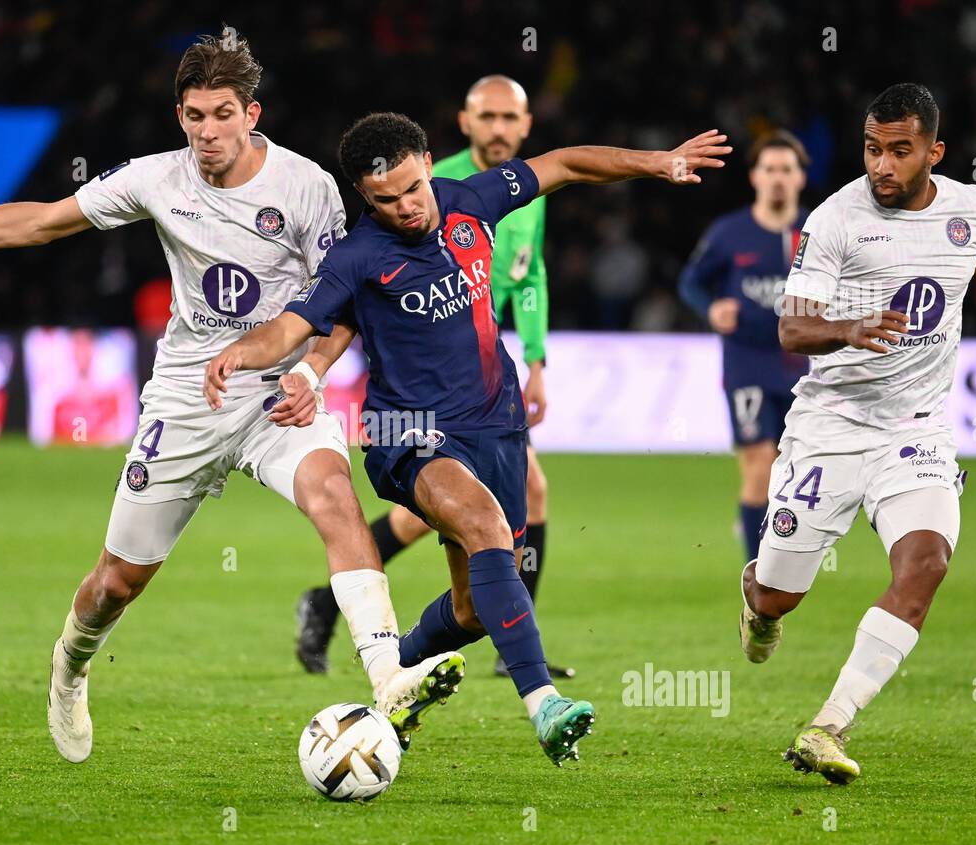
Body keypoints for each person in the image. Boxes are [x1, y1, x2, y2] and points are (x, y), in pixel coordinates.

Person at [0, 33, 466, 762]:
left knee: (336, 500)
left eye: (222, 114)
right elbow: (43, 220)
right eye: (194, 115)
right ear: (180, 116)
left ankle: (387, 679)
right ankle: (69, 665)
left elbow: (342, 298)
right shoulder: (156, 180)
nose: (207, 131)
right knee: (118, 582)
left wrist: (312, 372)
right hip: (186, 397)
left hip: (275, 394)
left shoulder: (307, 188)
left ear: (251, 113)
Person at [207, 112, 729, 763]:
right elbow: (295, 325)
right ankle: (544, 705)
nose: (403, 208)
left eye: (411, 189)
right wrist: (249, 357)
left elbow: (564, 164)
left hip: (495, 424)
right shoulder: (358, 256)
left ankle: (392, 684)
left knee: (475, 609)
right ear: (364, 201)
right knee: (483, 524)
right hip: (406, 434)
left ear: (428, 163)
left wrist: (657, 161)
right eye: (384, 200)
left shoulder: (473, 199)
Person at [739, 83, 976, 783]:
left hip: (918, 430)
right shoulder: (837, 219)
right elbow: (791, 327)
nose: (883, 166)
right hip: (830, 429)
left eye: (900, 151)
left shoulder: (972, 209)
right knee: (780, 594)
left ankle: (826, 726)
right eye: (873, 149)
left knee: (926, 562)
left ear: (935, 150)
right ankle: (757, 598)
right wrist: (849, 327)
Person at [294, 75, 573, 680]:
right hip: (425, 382)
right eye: (487, 116)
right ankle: (513, 643)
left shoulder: (520, 190)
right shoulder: (430, 182)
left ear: (525, 126)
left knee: (459, 512)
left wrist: (537, 359)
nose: (499, 128)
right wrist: (314, 364)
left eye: (509, 118)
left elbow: (528, 277)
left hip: (482, 378)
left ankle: (478, 625)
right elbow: (355, 297)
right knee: (472, 510)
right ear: (465, 123)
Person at [678, 131, 811, 560]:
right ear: (755, 176)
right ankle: (758, 576)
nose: (777, 178)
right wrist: (712, 307)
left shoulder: (814, 234)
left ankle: (770, 539)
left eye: (785, 170)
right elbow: (691, 282)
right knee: (758, 464)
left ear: (799, 179)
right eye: (769, 169)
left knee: (791, 471)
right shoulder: (729, 233)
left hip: (802, 367)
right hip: (747, 364)